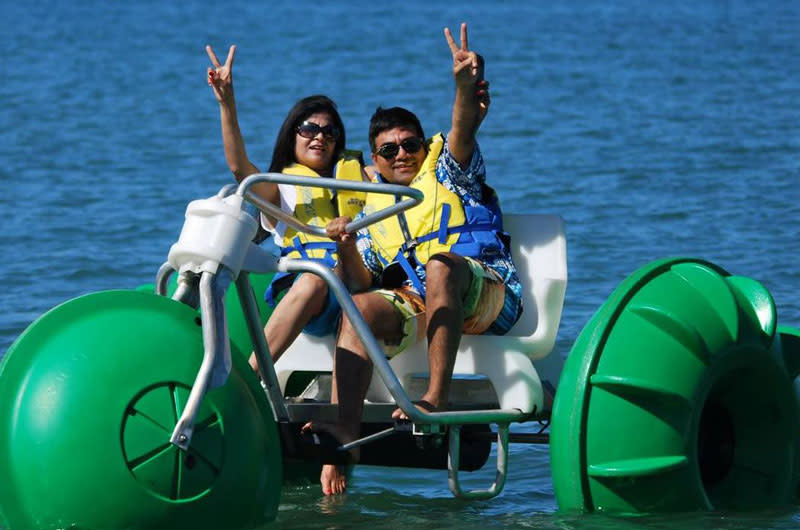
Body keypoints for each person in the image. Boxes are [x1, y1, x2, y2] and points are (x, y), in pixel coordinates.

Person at [307, 23, 523, 496]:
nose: (402, 153)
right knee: (357, 307)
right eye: (389, 149)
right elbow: (359, 281)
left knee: (441, 265)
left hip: (487, 293)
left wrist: (464, 86)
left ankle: (435, 400)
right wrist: (345, 243)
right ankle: (346, 437)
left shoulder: (450, 170)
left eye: (410, 144)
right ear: (376, 161)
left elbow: (464, 126)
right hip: (420, 302)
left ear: (424, 146)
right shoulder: (372, 209)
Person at [206, 45, 368, 370]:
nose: (319, 137)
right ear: (292, 135)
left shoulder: (362, 178)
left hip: (362, 283)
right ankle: (252, 376)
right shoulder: (279, 188)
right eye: (309, 129)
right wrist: (227, 104)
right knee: (313, 280)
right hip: (317, 293)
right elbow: (239, 169)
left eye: (329, 132)